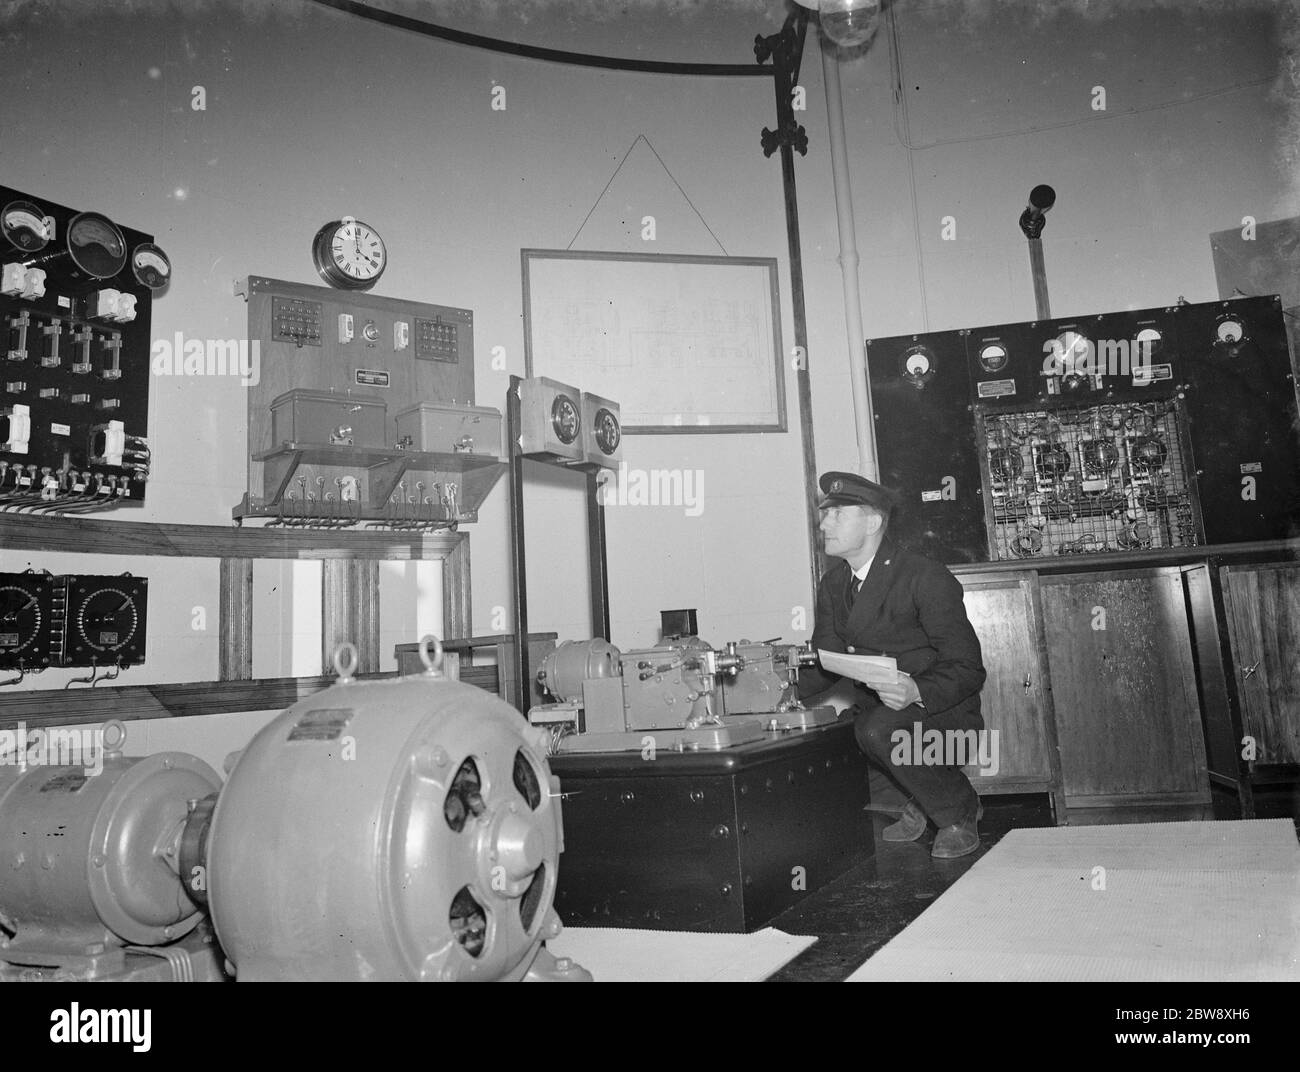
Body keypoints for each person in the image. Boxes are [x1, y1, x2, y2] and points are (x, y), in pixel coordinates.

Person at [798, 471, 987, 858]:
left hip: (944, 720)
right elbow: (826, 663)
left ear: (873, 522)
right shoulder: (834, 585)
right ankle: (917, 798)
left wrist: (917, 689)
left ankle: (958, 810)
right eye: (824, 514)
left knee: (875, 729)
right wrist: (777, 690)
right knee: (821, 739)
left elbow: (969, 667)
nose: (823, 524)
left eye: (836, 514)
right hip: (883, 719)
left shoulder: (923, 577)